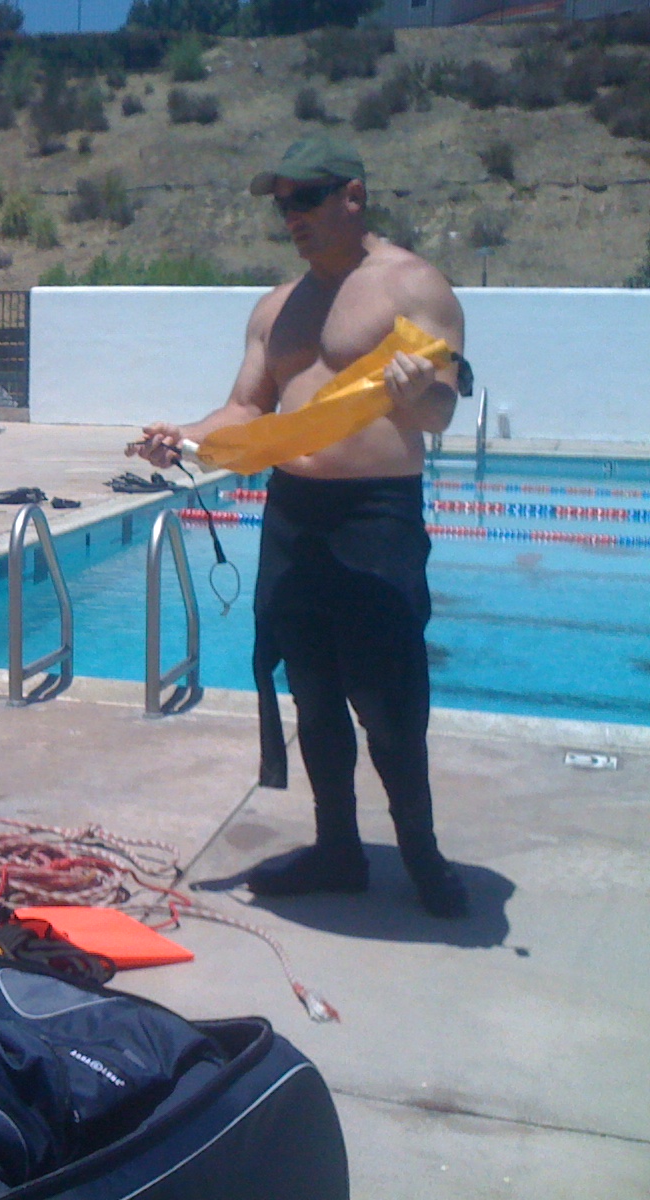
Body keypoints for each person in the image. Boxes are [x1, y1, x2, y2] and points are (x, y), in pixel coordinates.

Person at [130, 135, 470, 918]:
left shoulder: (413, 284)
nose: (292, 216)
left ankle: (420, 853)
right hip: (293, 513)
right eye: (282, 203)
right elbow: (248, 408)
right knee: (310, 689)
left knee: (386, 700)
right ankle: (338, 849)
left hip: (376, 513)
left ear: (352, 195)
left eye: (306, 198)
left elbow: (442, 411)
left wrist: (417, 390)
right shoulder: (276, 307)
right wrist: (181, 437)